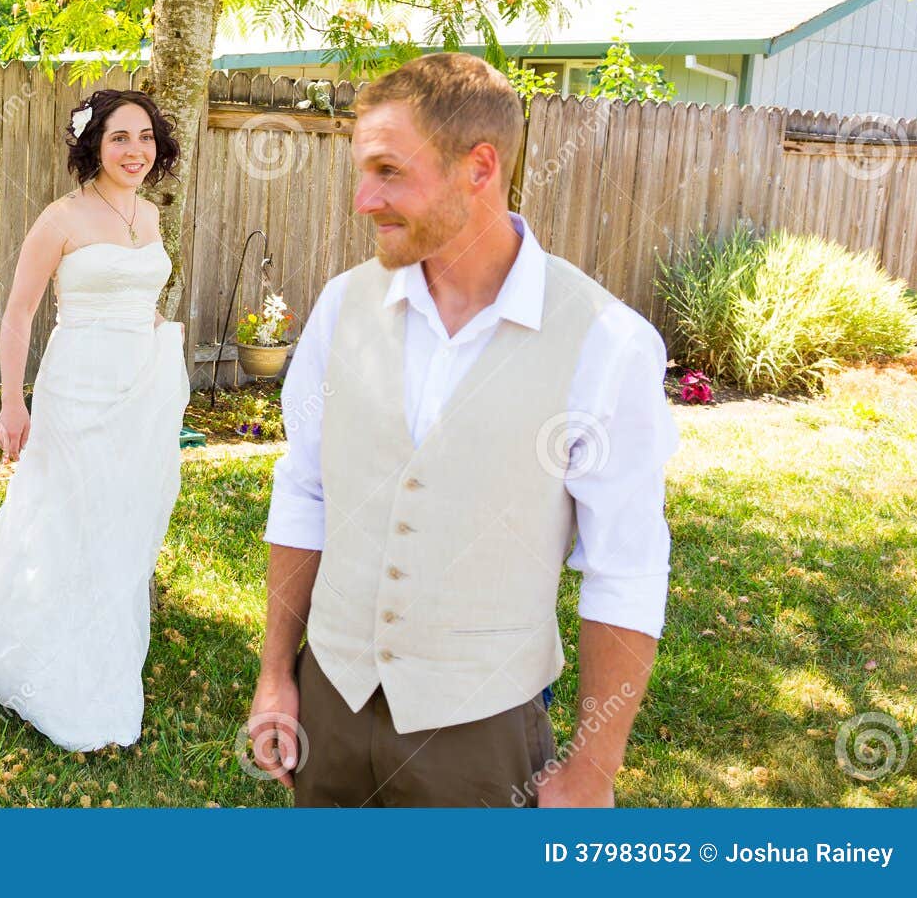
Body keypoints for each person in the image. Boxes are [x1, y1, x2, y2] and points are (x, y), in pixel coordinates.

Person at [246, 52, 677, 806]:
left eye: (388, 171)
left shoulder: (606, 341)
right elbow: (305, 491)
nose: (363, 200)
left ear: (479, 168)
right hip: (330, 706)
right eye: (362, 171)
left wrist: (593, 769)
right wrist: (277, 673)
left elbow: (626, 568)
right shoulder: (343, 306)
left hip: (482, 732)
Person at [0, 89, 192, 752]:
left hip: (139, 388)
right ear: (93, 145)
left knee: (120, 512)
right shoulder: (61, 218)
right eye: (119, 137)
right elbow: (19, 313)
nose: (135, 150)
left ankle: (98, 633)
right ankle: (43, 647)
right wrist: (13, 402)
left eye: (145, 136)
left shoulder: (149, 215)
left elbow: (140, 298)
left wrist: (160, 344)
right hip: (77, 387)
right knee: (63, 510)